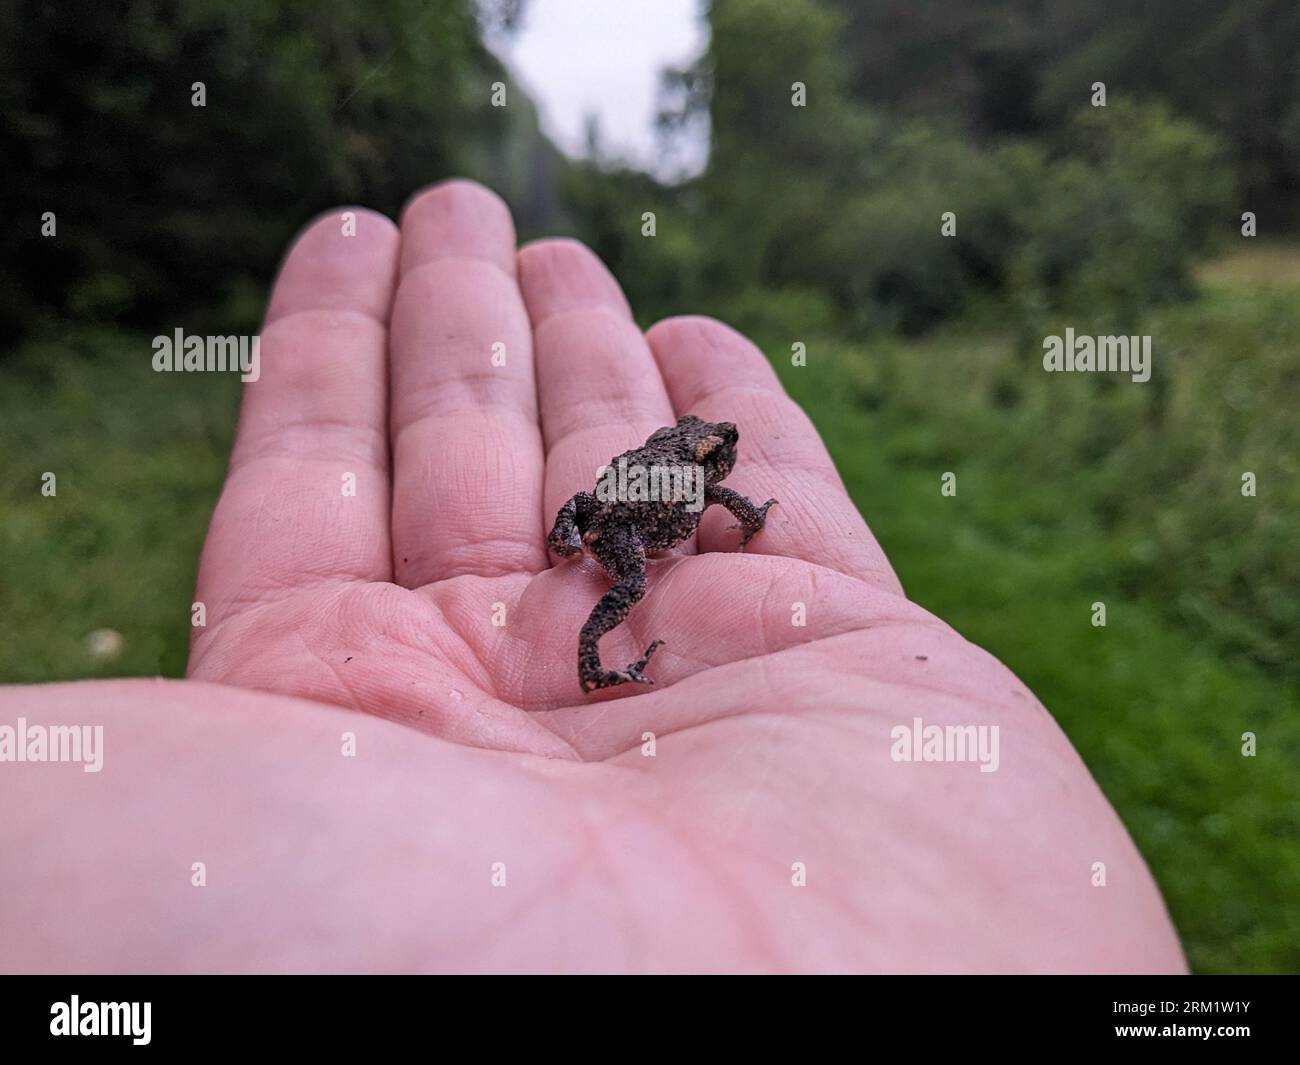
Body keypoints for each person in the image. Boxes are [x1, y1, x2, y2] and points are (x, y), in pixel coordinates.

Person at [0, 180, 1186, 973]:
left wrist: (658, 513)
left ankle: (596, 617)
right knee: (617, 599)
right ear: (702, 451)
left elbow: (698, 488)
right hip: (626, 524)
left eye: (721, 456)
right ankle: (595, 665)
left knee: (611, 557)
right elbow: (702, 495)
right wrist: (642, 536)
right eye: (720, 454)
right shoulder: (693, 481)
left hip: (612, 501)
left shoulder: (692, 472)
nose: (725, 461)